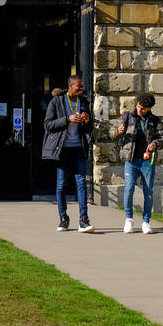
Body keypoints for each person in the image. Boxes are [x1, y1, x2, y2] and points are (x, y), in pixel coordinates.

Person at [42, 75, 94, 232]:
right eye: (78, 86)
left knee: (81, 183)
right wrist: (67, 119)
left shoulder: (83, 102)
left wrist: (87, 119)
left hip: (79, 147)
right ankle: (63, 218)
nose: (81, 89)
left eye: (82, 86)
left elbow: (89, 127)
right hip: (62, 149)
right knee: (61, 184)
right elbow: (48, 125)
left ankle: (83, 220)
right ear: (70, 86)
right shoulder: (57, 102)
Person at [116, 93, 163, 234]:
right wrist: (118, 131)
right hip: (131, 160)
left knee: (148, 191)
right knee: (128, 189)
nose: (140, 110)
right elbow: (111, 132)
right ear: (137, 103)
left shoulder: (155, 121)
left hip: (147, 161)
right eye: (139, 107)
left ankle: (146, 222)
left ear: (149, 108)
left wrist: (155, 143)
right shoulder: (127, 117)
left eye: (144, 109)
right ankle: (129, 219)